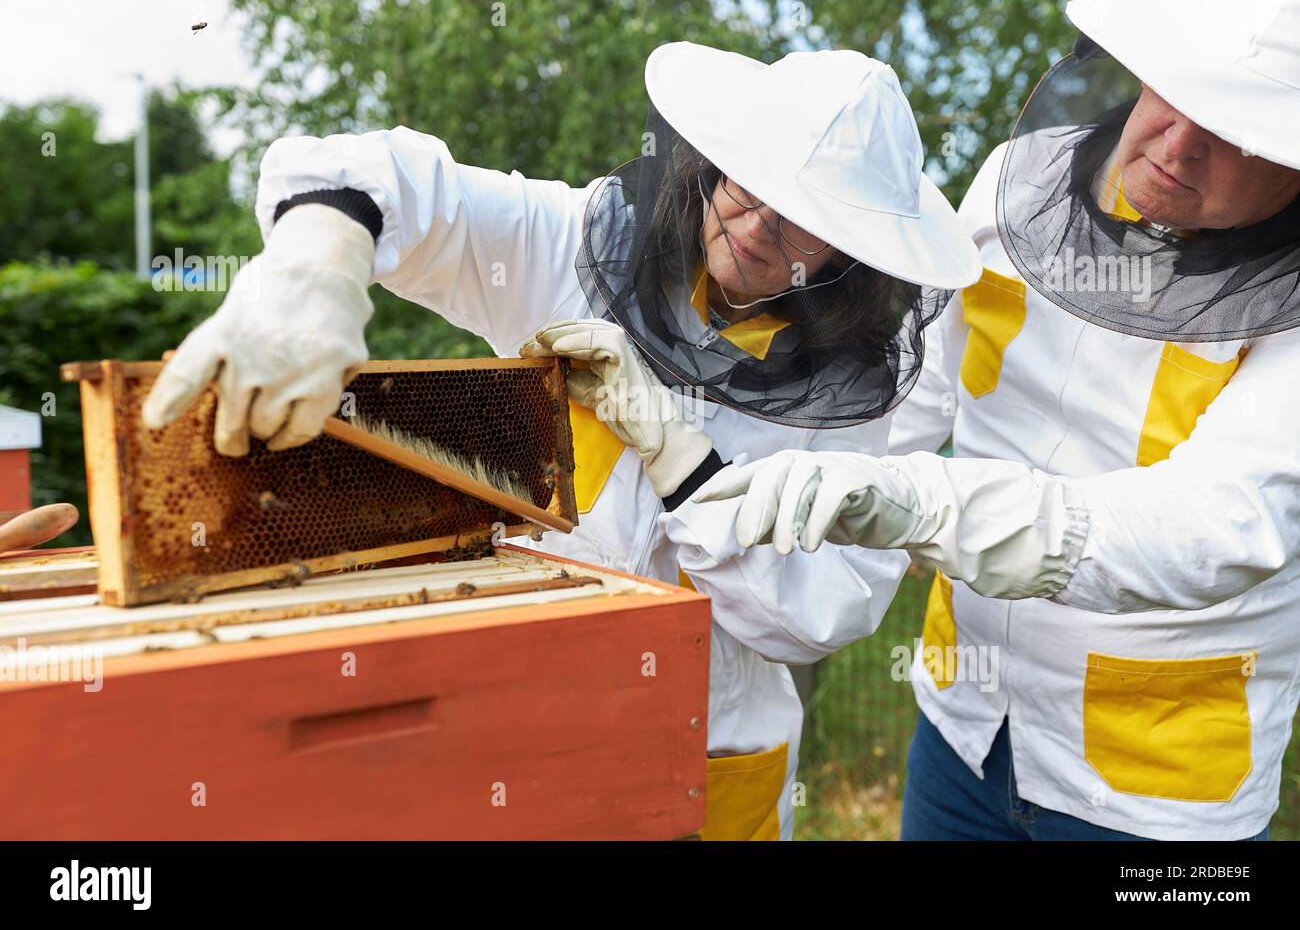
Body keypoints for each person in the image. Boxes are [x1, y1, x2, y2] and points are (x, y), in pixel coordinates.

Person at [141, 41, 982, 839]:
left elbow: (819, 612)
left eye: (803, 221)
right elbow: (391, 178)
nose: (757, 227)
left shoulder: (865, 389)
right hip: (519, 720)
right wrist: (315, 264)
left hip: (715, 750)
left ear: (853, 248)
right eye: (747, 186)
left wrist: (679, 457)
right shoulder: (569, 245)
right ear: (713, 161)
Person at [695, 0, 1300, 840]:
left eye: (1235, 129)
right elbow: (916, 399)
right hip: (965, 721)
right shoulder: (1024, 181)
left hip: (1153, 792)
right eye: (1175, 89)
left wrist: (930, 503)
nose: (1180, 140)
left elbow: (1221, 525)